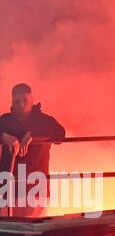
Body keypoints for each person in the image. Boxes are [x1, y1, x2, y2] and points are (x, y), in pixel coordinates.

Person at [0, 83, 67, 214]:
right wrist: (3, 136)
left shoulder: (44, 120)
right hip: (7, 189)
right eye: (17, 101)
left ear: (32, 100)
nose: (21, 104)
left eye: (24, 100)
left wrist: (33, 134)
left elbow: (60, 135)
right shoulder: (5, 121)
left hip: (35, 189)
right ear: (12, 102)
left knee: (31, 230)